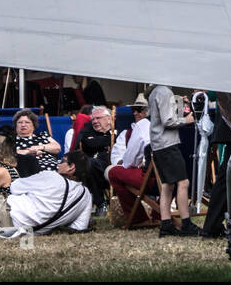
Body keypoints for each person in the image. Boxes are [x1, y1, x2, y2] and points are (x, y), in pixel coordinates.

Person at [0, 151, 92, 237]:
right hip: (21, 232)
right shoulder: (85, 196)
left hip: (8, 213)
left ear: (71, 167)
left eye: (62, 161)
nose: (58, 164)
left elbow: (16, 186)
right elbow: (79, 227)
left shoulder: (52, 177)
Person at [148, 85, 200, 236]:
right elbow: (168, 121)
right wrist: (187, 120)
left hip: (159, 144)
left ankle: (166, 225)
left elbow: (164, 115)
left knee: (167, 185)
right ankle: (186, 223)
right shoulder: (164, 91)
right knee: (183, 182)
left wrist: (179, 103)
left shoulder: (157, 91)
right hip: (167, 144)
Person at [107, 95, 155, 226]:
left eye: (139, 109)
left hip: (150, 179)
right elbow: (117, 157)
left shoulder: (142, 127)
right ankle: (159, 215)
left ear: (149, 111)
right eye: (134, 110)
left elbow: (128, 162)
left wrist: (129, 164)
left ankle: (138, 219)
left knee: (114, 173)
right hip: (175, 178)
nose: (135, 113)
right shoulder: (170, 127)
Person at [77, 106, 115, 209]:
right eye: (93, 119)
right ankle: (101, 204)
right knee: (91, 163)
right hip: (94, 166)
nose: (95, 121)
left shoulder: (118, 131)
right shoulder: (87, 131)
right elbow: (90, 144)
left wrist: (99, 140)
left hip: (114, 165)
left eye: (98, 118)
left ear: (109, 119)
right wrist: (108, 139)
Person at [13, 109, 60, 177]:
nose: (23, 125)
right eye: (20, 122)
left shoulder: (43, 135)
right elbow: (5, 154)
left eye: (27, 122)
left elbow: (57, 148)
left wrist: (40, 147)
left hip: (52, 166)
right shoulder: (11, 139)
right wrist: (28, 151)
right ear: (16, 125)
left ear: (33, 125)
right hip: (28, 169)